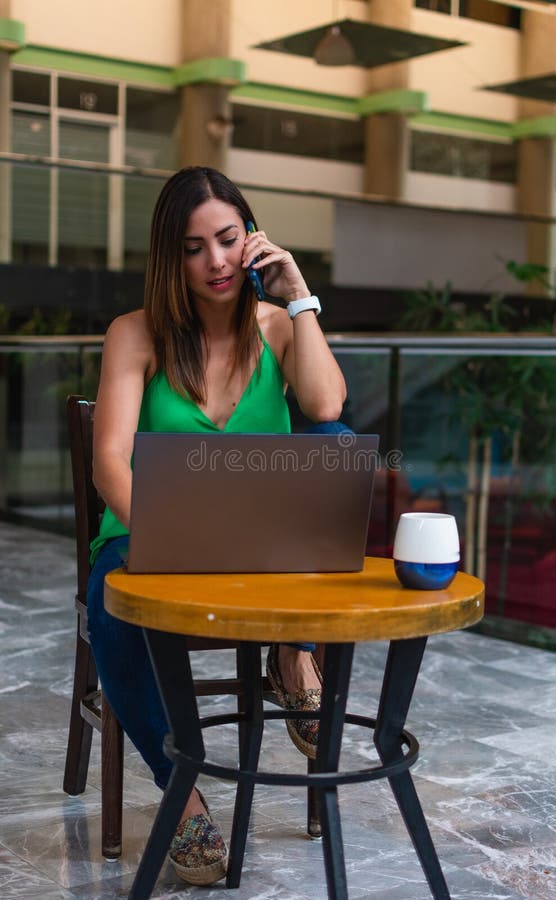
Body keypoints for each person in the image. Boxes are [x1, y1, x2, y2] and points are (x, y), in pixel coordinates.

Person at [86, 166, 347, 885]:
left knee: (333, 440)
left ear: (252, 237)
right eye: (195, 247)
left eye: (229, 239)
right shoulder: (134, 336)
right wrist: (179, 545)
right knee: (110, 607)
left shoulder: (278, 325)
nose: (218, 261)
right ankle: (185, 795)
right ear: (171, 258)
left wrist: (299, 298)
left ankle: (292, 654)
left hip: (263, 543)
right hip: (150, 534)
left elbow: (325, 407)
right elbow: (111, 464)